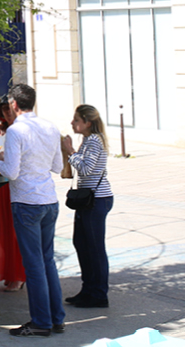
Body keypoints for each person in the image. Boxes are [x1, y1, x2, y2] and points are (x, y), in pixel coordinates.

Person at [0, 83, 66, 337]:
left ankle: (41, 322)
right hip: (48, 199)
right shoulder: (49, 126)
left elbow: (11, 172)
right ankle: (55, 318)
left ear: (13, 104)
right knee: (47, 261)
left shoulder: (16, 131)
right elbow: (57, 165)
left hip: (26, 201)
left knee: (34, 265)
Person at [62, 104, 113, 309]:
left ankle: (99, 293)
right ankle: (88, 288)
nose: (73, 123)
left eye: (76, 120)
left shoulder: (94, 141)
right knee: (81, 244)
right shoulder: (87, 140)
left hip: (97, 199)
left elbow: (87, 169)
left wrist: (70, 151)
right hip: (87, 200)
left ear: (87, 123)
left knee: (94, 247)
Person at [0, 100, 26, 292]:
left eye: (9, 111)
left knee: (15, 229)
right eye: (4, 112)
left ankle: (17, 274)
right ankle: (8, 273)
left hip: (14, 183)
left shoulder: (22, 129)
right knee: (1, 228)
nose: (7, 116)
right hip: (0, 184)